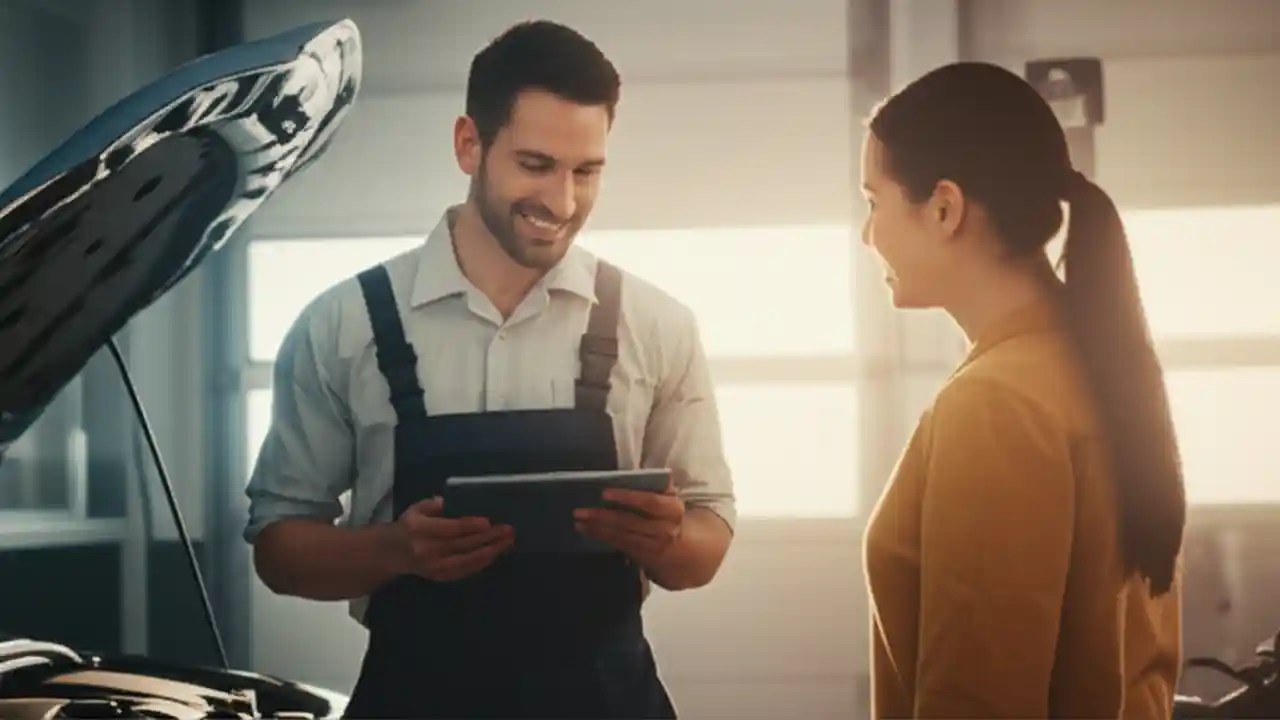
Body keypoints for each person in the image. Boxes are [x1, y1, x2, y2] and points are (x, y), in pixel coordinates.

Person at [243, 20, 736, 719]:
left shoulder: (656, 326)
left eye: (587, 171)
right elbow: (280, 549)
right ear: (468, 144)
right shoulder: (341, 325)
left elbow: (708, 542)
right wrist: (393, 550)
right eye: (536, 165)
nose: (563, 203)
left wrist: (669, 542)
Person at [859, 62, 1186, 718]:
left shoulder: (996, 403)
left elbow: (979, 699)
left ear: (944, 208)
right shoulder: (1095, 363)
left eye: (873, 202)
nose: (868, 235)